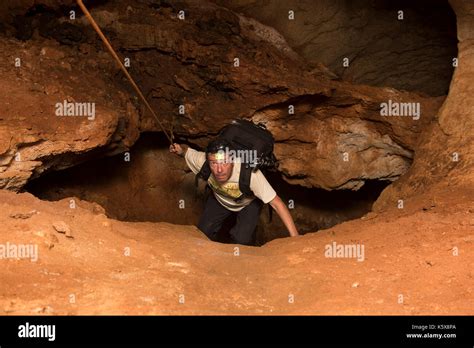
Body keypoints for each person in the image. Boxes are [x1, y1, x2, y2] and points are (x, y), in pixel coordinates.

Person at [169, 138, 299, 245]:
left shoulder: (250, 174)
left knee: (241, 240)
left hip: (247, 203)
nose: (219, 170)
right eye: (214, 163)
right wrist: (179, 150)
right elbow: (186, 151)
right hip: (220, 200)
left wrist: (296, 239)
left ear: (232, 160)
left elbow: (277, 204)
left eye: (224, 162)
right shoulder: (202, 161)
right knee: (203, 233)